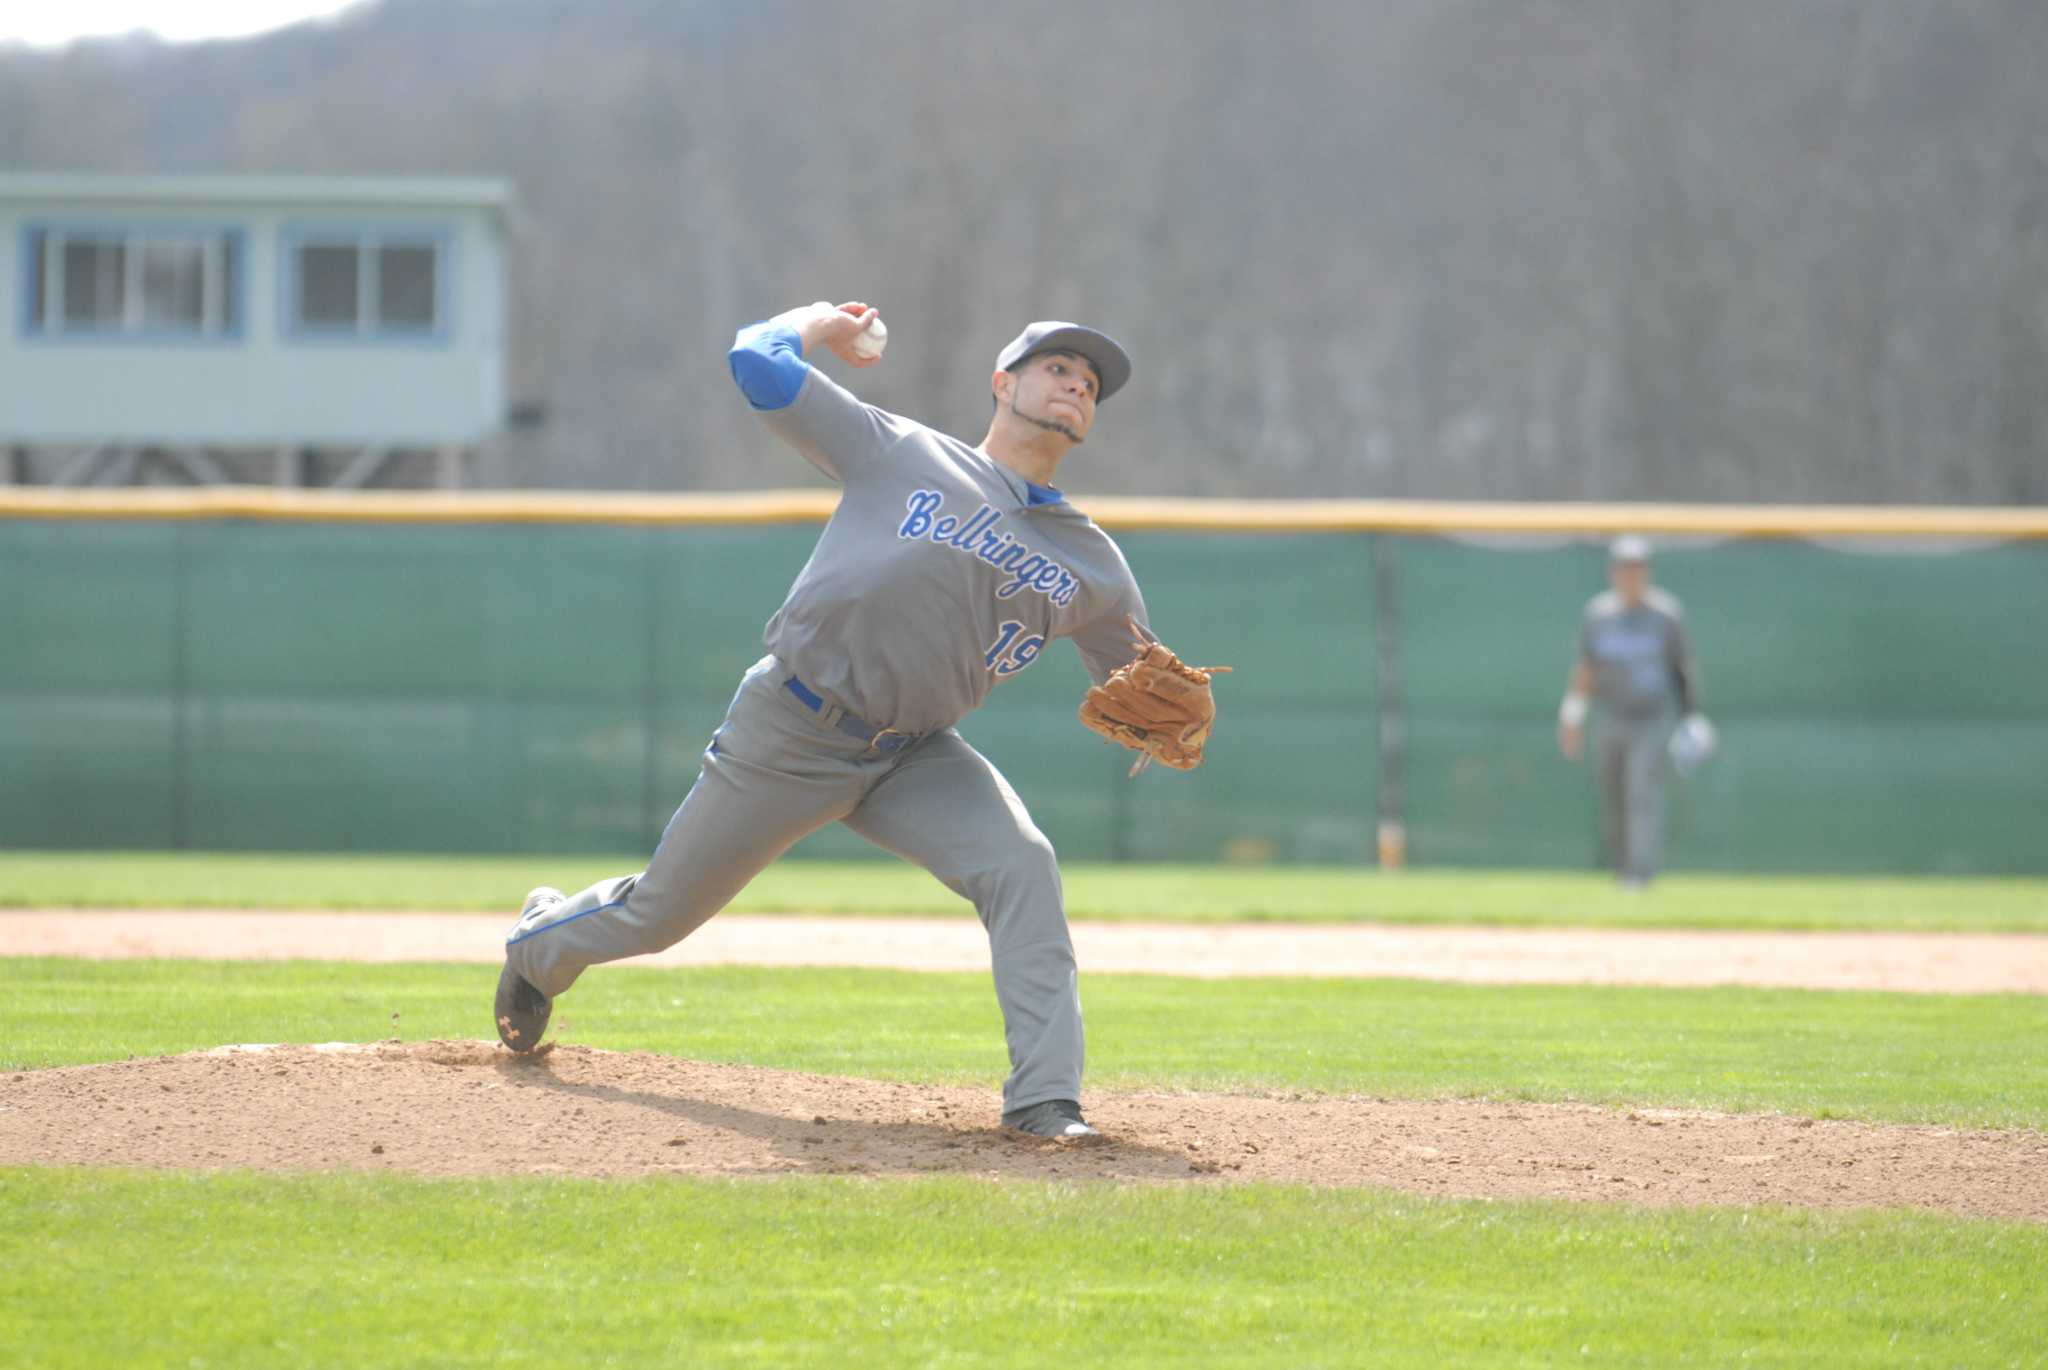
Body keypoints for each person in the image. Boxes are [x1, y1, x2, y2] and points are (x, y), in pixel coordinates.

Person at [495, 300, 1192, 1140]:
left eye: (1088, 384)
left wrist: (1170, 714)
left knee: (1023, 864)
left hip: (916, 756)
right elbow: (756, 363)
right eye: (1056, 369)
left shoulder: (1093, 563)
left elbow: (1142, 679)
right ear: (1003, 383)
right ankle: (538, 948)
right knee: (659, 915)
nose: (1075, 386)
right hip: (792, 730)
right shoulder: (898, 449)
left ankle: (1046, 1102)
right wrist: (821, 321)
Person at [1555, 535, 1707, 889]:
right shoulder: (1598, 615)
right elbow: (1585, 669)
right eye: (1624, 567)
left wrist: (1692, 716)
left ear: (1647, 571)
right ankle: (1621, 871)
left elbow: (1681, 668)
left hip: (1651, 717)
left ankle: (1641, 875)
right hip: (1611, 716)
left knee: (1642, 790)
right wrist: (1573, 710)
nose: (1630, 574)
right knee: (1614, 797)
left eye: (1637, 567)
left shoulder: (1666, 614)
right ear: (1613, 572)